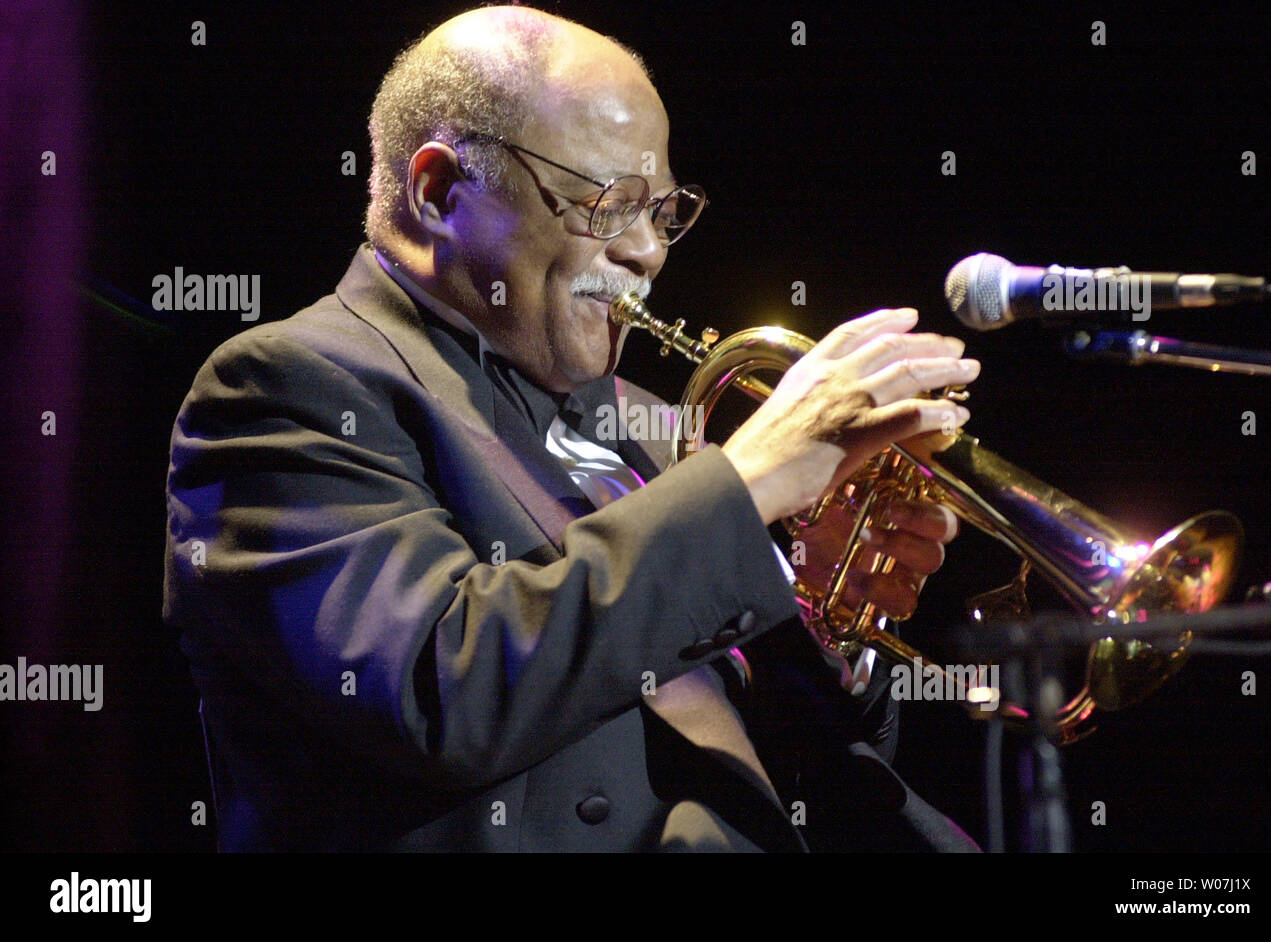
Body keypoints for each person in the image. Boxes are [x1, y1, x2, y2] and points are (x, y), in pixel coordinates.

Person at [163, 5, 981, 852]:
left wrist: (816, 618)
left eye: (663, 213)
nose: (648, 253)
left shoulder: (661, 429)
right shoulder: (282, 387)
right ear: (440, 191)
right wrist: (742, 492)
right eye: (608, 205)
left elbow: (795, 765)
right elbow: (433, 691)